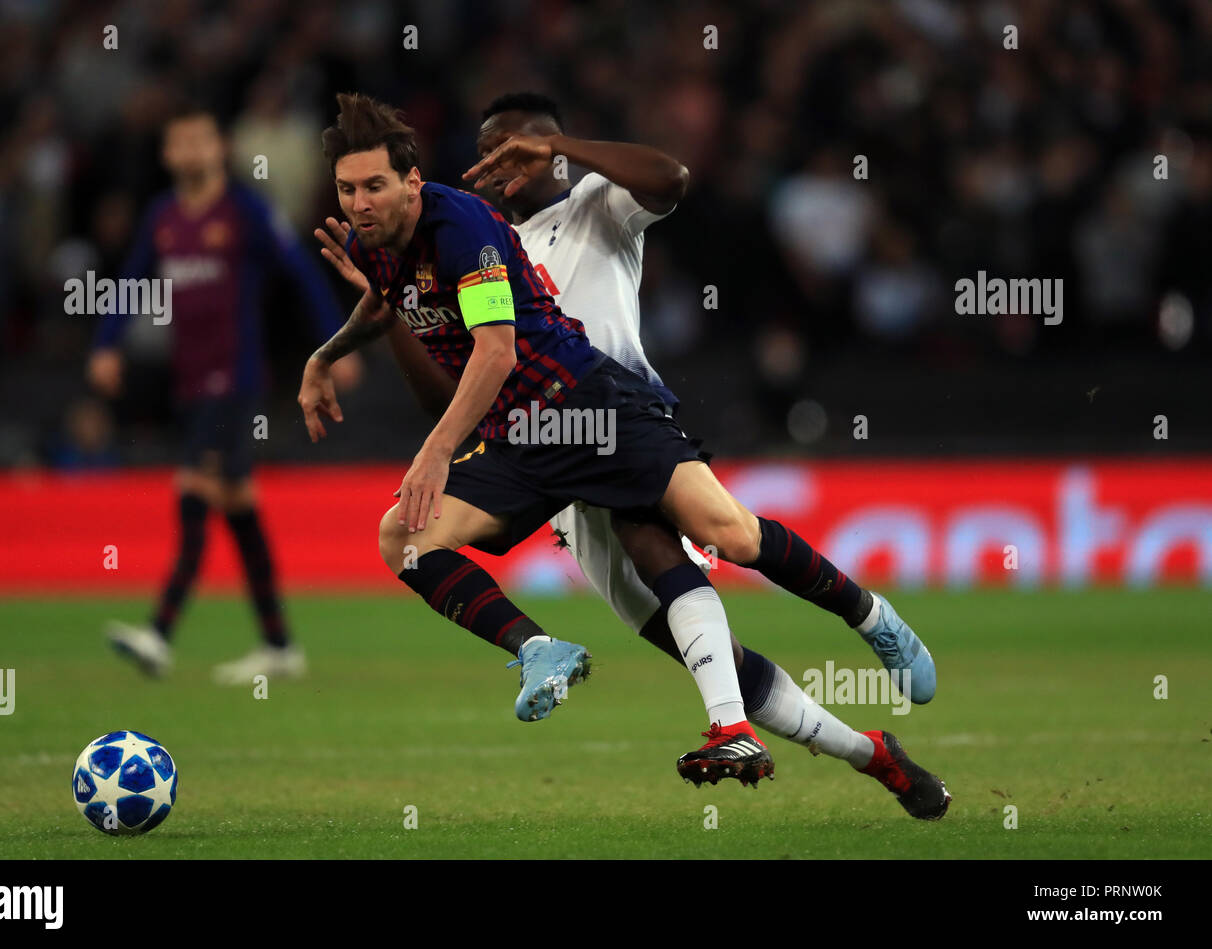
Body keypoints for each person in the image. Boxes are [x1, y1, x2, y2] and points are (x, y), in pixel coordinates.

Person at [310, 92, 948, 816]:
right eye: (491, 154)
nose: (503, 166)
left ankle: (869, 621)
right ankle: (869, 753)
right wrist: (341, 344)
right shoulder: (451, 251)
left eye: (518, 150)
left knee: (726, 534)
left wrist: (562, 149)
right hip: (534, 446)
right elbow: (447, 382)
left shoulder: (588, 207)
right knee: (704, 649)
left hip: (609, 410)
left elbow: (671, 177)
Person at [90, 104, 361, 685]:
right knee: (238, 505)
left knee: (194, 486)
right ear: (168, 154)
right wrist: (107, 344)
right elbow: (133, 278)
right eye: (179, 142)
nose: (190, 152)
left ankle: (159, 633)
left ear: (219, 150)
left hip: (234, 381)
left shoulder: (245, 210)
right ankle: (280, 644)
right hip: (189, 381)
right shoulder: (163, 216)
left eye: (200, 141)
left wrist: (338, 345)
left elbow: (302, 274)